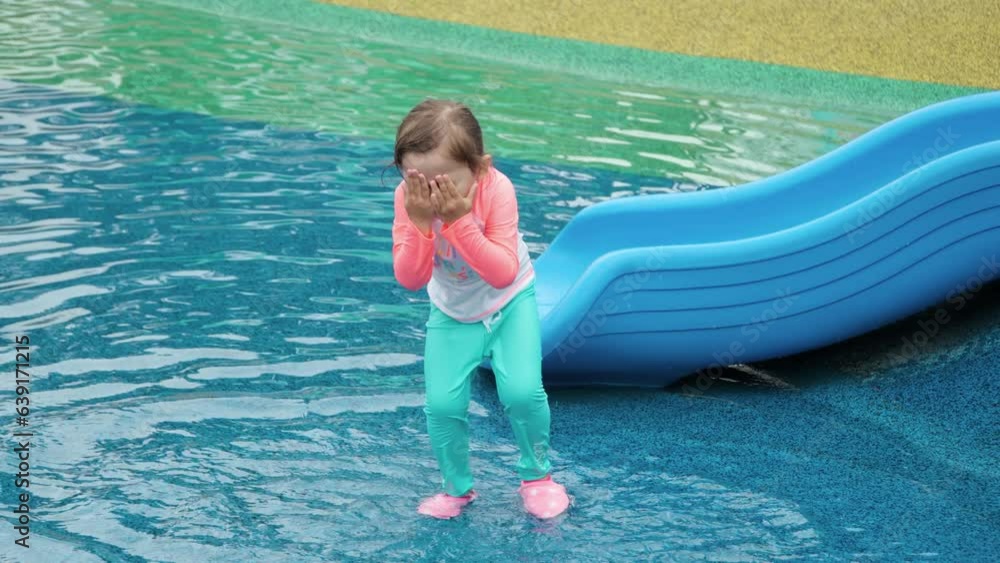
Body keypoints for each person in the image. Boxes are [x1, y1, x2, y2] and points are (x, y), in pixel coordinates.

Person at [390, 98, 570, 519]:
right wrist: (420, 225)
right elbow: (411, 278)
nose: (432, 194)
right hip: (452, 310)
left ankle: (538, 477)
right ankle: (457, 490)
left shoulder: (497, 189)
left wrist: (458, 223)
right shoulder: (410, 200)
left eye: (444, 182)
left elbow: (502, 272)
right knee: (442, 406)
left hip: (510, 302)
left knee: (522, 393)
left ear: (480, 168)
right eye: (418, 180)